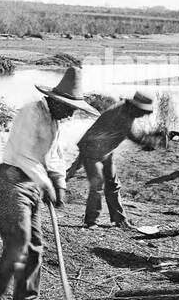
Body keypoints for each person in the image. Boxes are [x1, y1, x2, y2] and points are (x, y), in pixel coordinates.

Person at [0, 64, 97, 300]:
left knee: (35, 245)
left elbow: (54, 156)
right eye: (69, 108)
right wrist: (47, 184)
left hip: (33, 186)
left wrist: (59, 183)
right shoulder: (31, 113)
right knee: (19, 240)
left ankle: (27, 299)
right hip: (12, 183)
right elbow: (26, 156)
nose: (71, 114)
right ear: (55, 101)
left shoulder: (55, 121)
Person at [70, 90, 164, 229]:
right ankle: (91, 221)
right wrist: (153, 140)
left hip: (105, 151)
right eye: (142, 111)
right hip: (90, 150)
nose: (144, 114)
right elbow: (133, 135)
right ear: (135, 107)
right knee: (97, 184)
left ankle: (119, 220)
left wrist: (150, 137)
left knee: (113, 184)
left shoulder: (127, 111)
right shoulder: (122, 114)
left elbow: (134, 133)